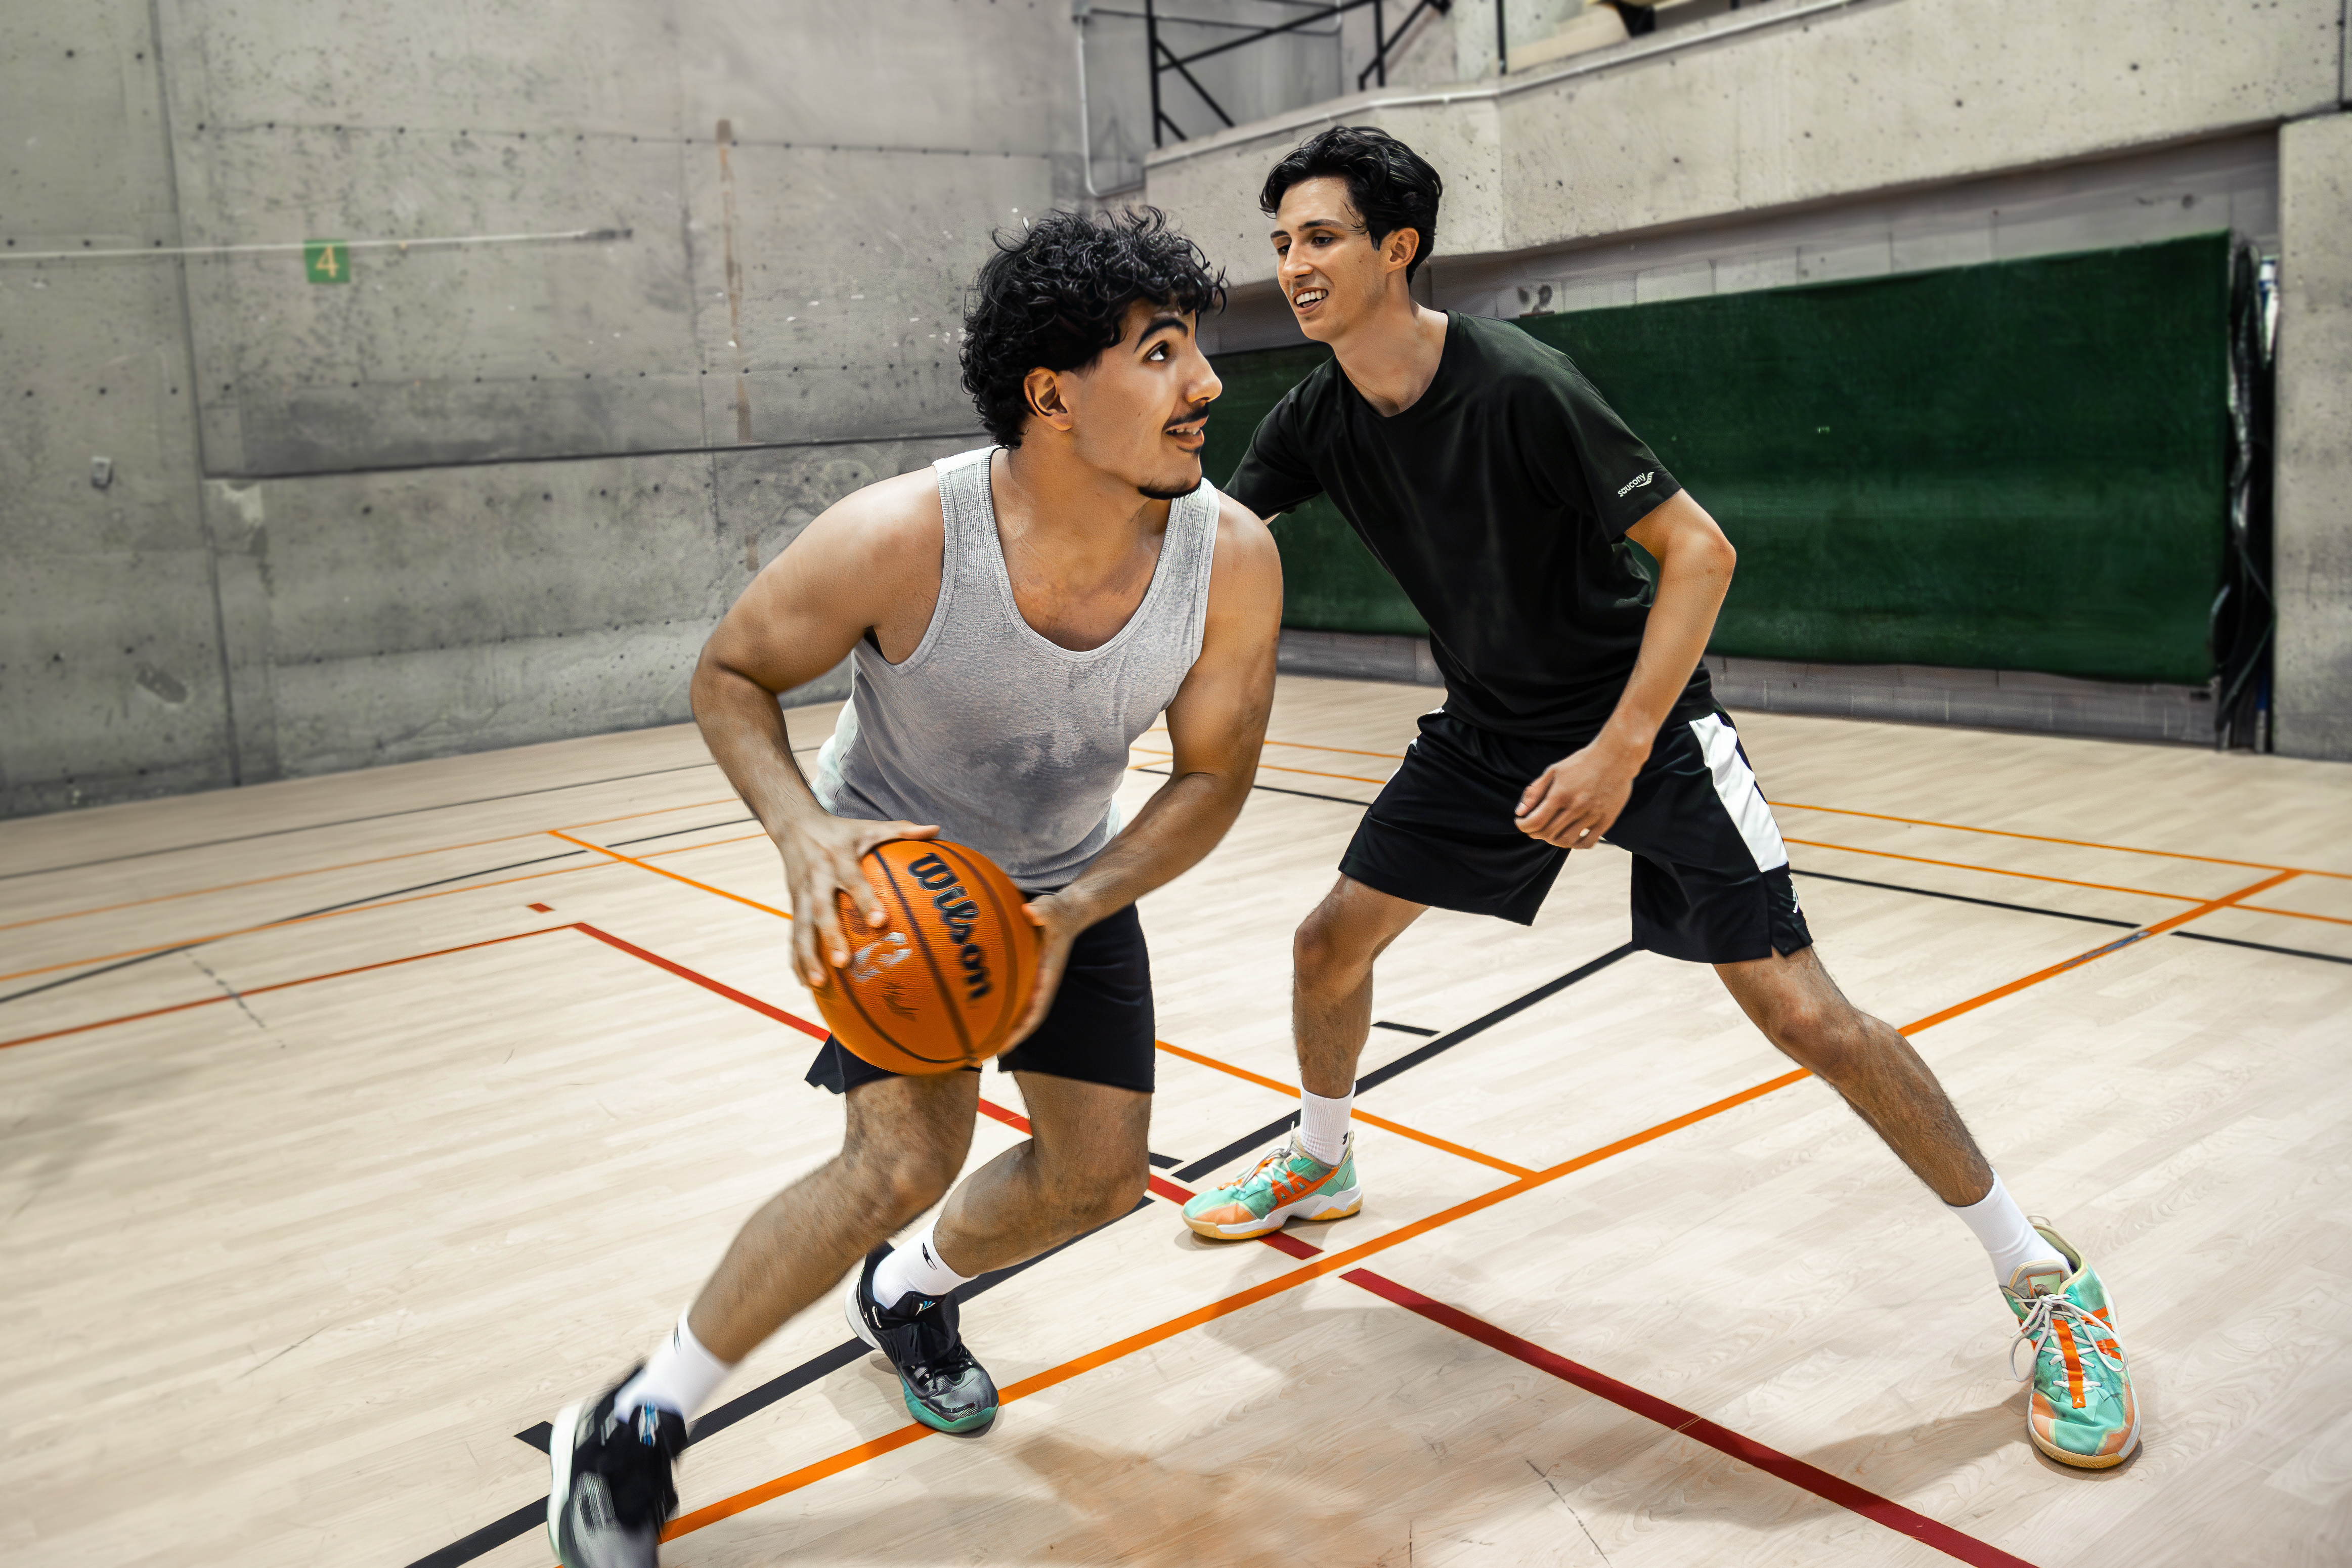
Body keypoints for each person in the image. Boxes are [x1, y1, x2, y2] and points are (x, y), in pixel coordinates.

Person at [1179, 126, 2137, 1472]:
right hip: (1488, 731)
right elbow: (1218, 546)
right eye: (1281, 244)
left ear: (1399, 247)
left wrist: (1625, 747)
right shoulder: (1317, 413)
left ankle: (2046, 1281)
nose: (1293, 267)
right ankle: (1323, 1156)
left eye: (1321, 238)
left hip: (1650, 724)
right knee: (1328, 943)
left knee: (1801, 1009)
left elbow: (1701, 550)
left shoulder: (1520, 384)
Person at [547, 208, 1283, 1567]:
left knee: (1102, 1180)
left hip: (1070, 882)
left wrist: (1073, 905)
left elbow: (1213, 775)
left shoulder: (1230, 557)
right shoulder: (901, 537)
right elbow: (730, 673)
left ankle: (908, 1295)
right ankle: (636, 1421)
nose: (1207, 387)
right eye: (1164, 353)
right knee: (898, 1158)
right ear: (1053, 395)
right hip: (903, 886)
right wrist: (800, 833)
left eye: (1198, 351)